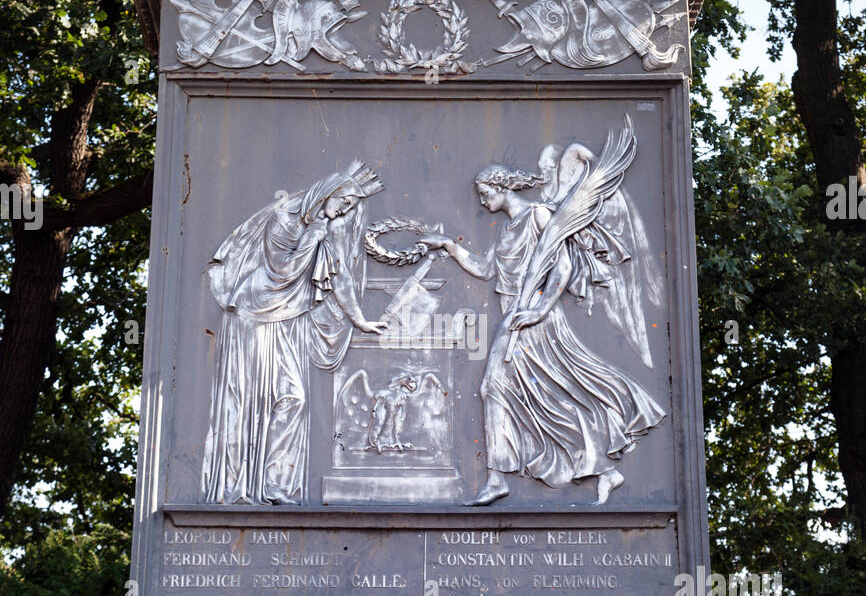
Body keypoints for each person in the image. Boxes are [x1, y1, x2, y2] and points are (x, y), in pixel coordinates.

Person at [421, 162, 666, 505]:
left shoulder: (537, 216)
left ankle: (497, 479)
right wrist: (449, 245)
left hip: (534, 319)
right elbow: (487, 269)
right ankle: (603, 470)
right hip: (514, 315)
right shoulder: (506, 229)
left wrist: (539, 311)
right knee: (544, 396)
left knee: (494, 387)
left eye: (486, 193)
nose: (482, 201)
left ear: (503, 188)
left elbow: (562, 266)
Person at [201, 162, 385, 504]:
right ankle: (239, 485)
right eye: (343, 203)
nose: (344, 211)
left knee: (293, 398)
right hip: (253, 316)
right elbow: (284, 270)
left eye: (350, 208)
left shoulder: (325, 230)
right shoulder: (283, 222)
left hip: (288, 320)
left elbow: (340, 277)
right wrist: (313, 235)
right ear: (327, 193)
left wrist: (360, 321)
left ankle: (275, 484)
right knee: (249, 400)